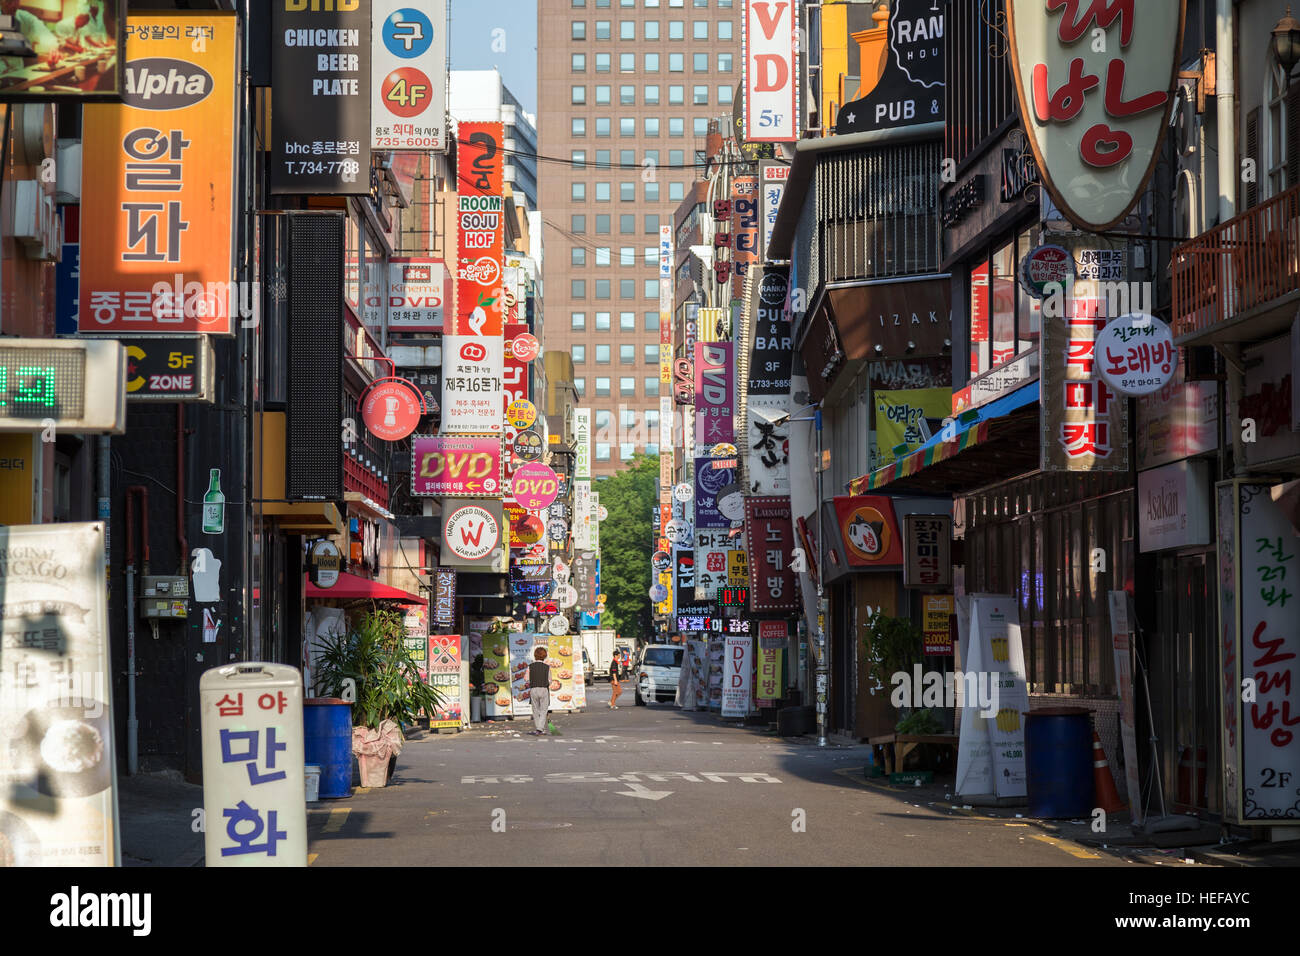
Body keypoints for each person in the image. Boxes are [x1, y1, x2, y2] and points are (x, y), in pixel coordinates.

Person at [528, 646, 550, 735]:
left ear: (535, 655)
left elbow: (526, 678)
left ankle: (539, 728)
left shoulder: (530, 666)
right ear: (544, 656)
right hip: (544, 689)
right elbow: (550, 680)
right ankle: (540, 728)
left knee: (535, 710)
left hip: (533, 689)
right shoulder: (547, 667)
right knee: (543, 710)